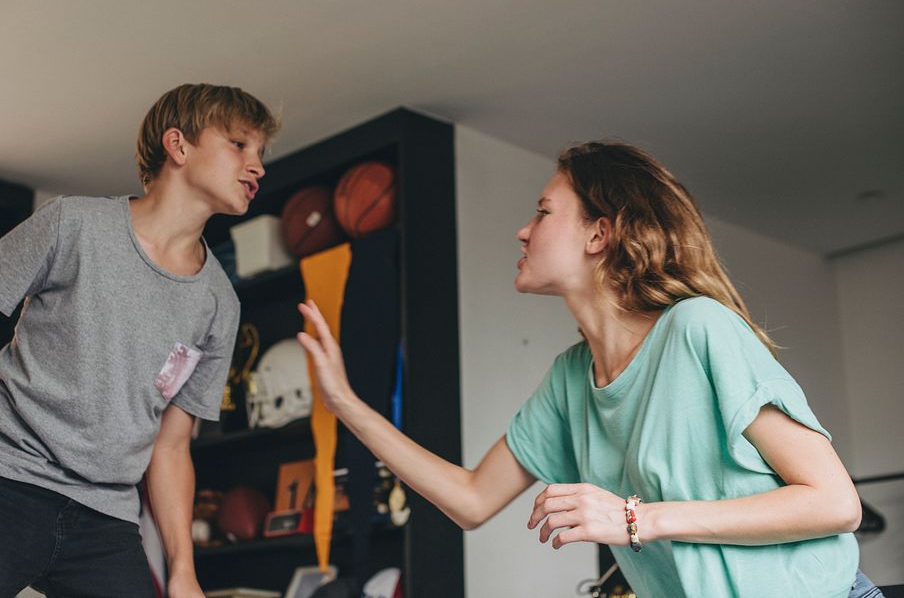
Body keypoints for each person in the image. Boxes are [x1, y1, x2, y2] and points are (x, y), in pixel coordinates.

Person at [297, 141, 881, 597]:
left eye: (544, 212)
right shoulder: (571, 379)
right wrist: (345, 401)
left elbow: (835, 503)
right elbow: (470, 500)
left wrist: (634, 518)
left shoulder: (698, 328)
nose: (523, 230)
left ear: (600, 233)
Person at [0, 83, 279, 597]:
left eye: (261, 153)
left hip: (105, 518)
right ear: (178, 145)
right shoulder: (74, 224)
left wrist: (183, 570)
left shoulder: (219, 302)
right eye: (240, 145)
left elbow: (171, 447)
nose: (257, 165)